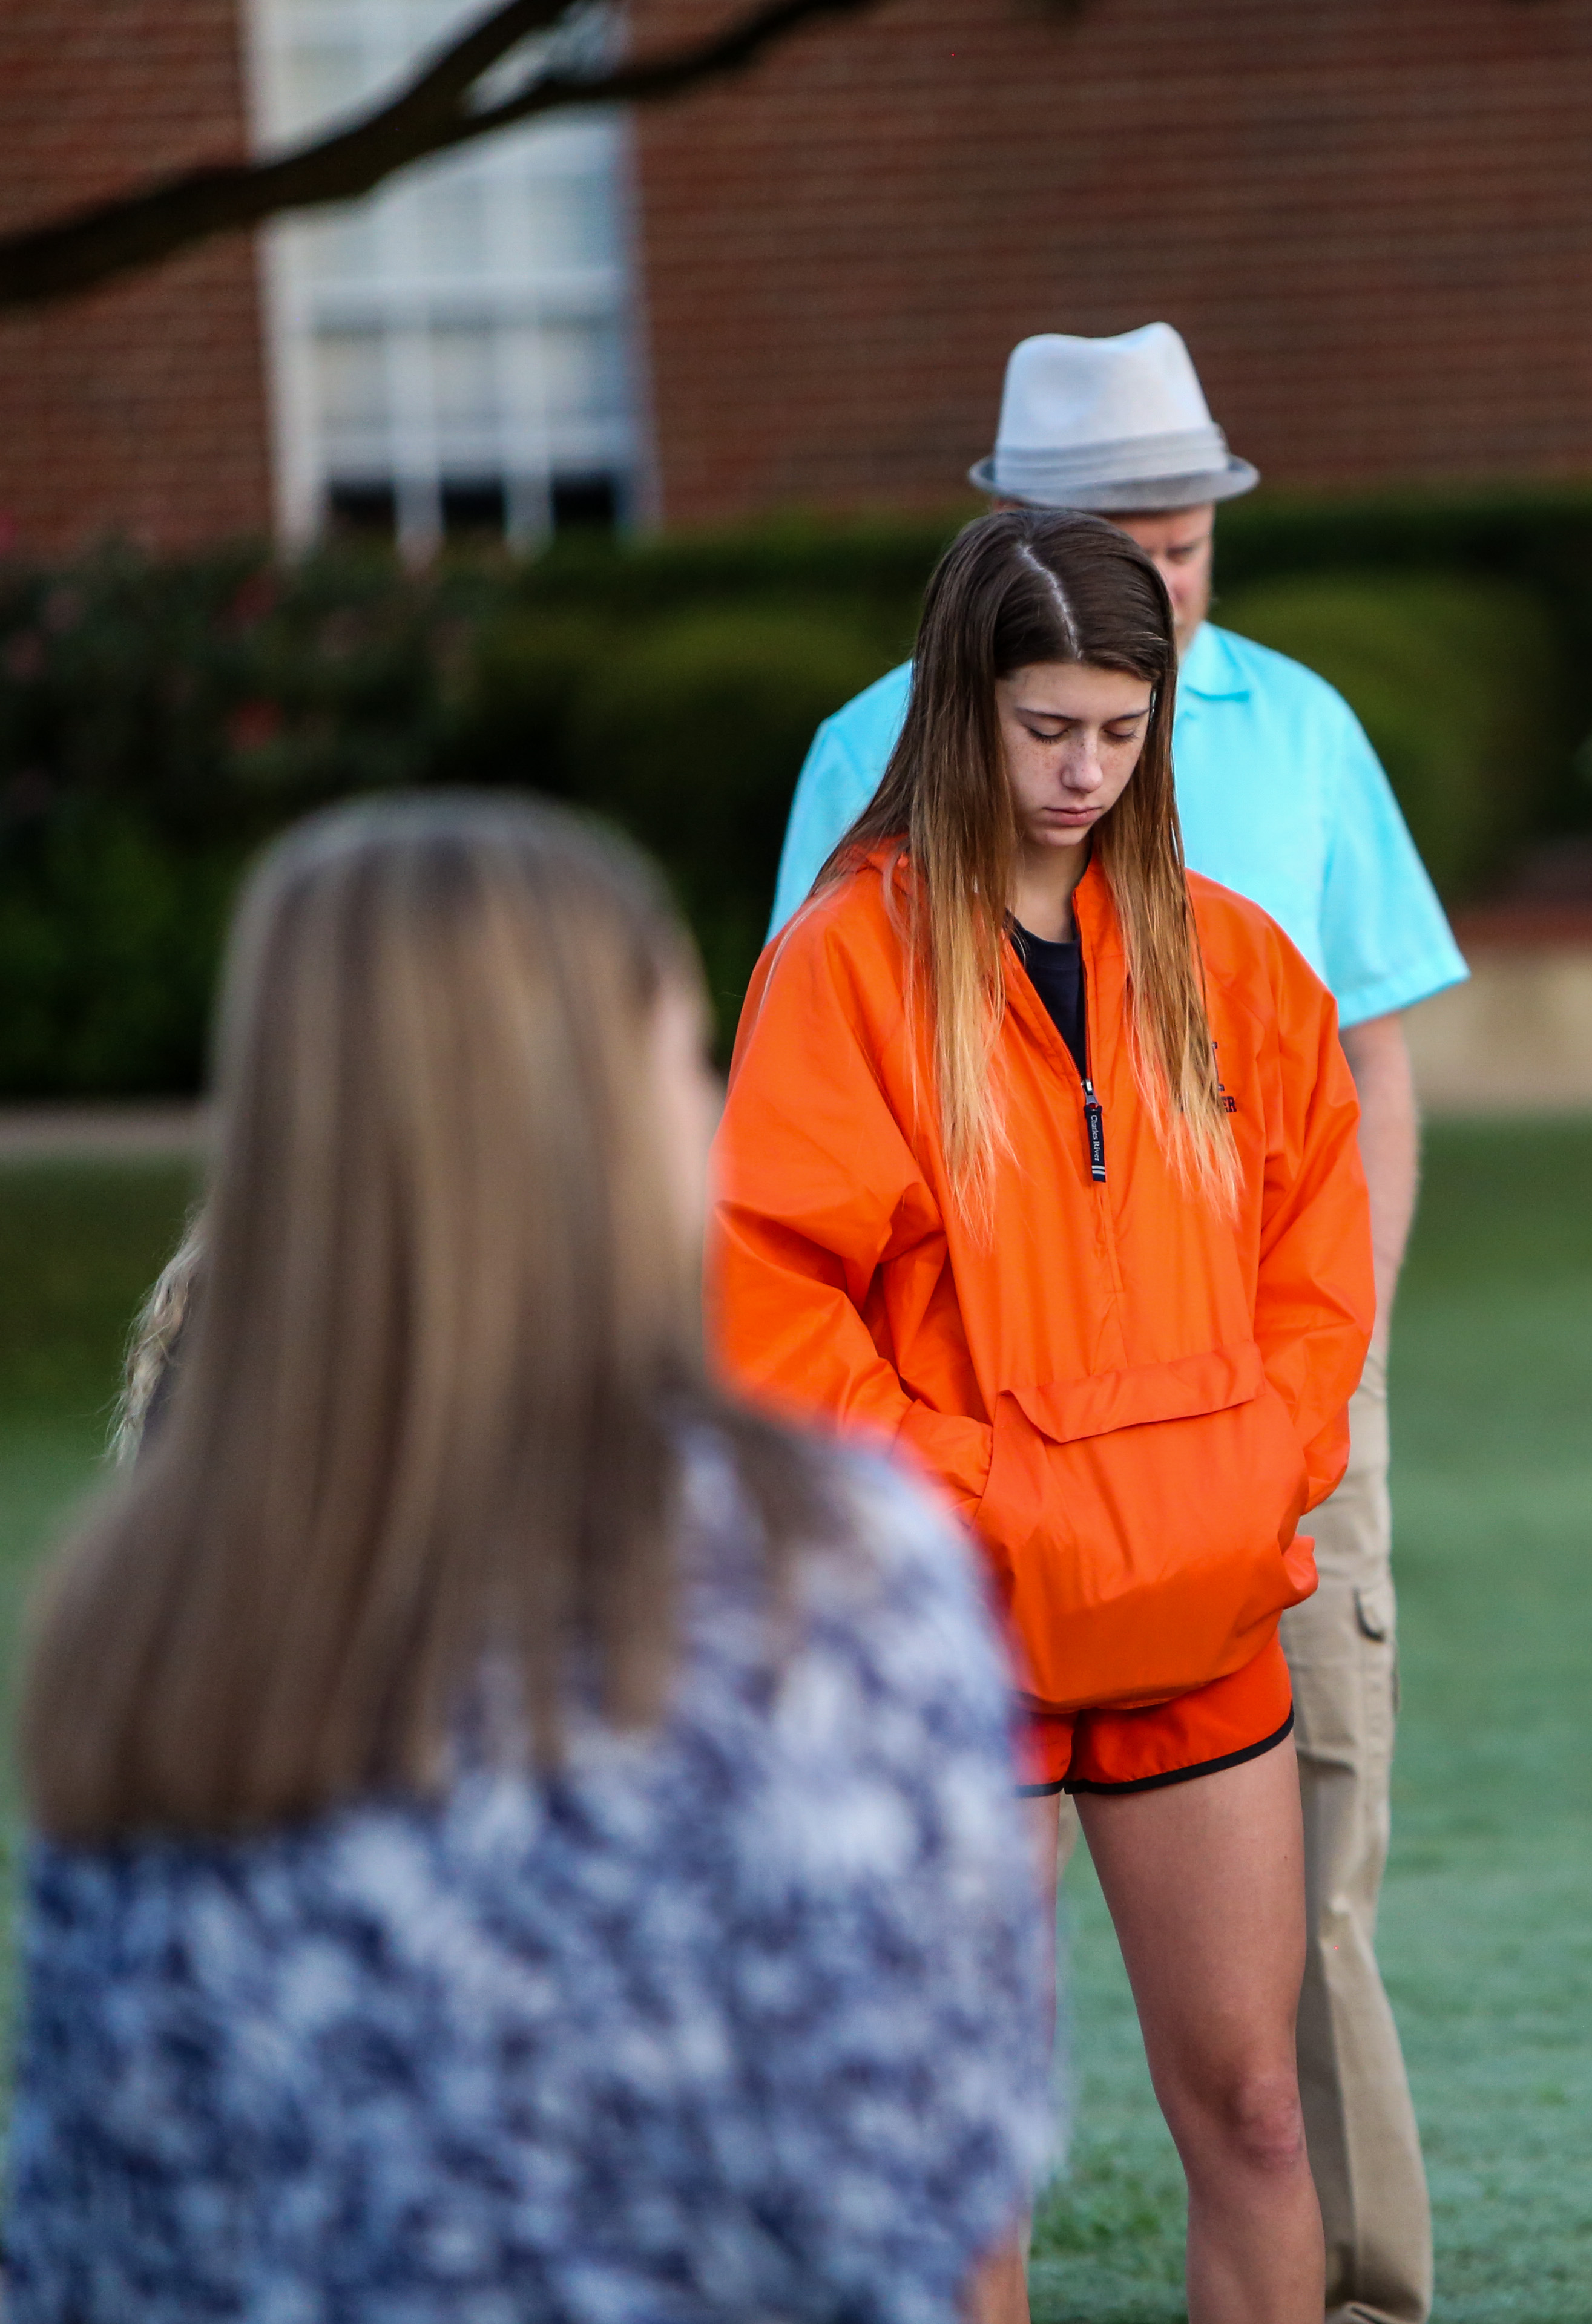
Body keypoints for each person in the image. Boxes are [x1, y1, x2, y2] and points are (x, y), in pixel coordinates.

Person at [7, 794, 1048, 2323]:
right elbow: (921, 2157)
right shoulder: (812, 1566)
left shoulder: (140, 1609)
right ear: (596, 1117)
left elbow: (85, 2236)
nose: (716, 1108)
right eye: (689, 1056)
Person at [767, 324, 1458, 2324]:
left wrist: (1264, 1459)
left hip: (1202, 1606)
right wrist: (982, 1499)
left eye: (1118, 732)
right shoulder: (844, 960)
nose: (1085, 772)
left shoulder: (1237, 948)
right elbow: (783, 1292)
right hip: (958, 1608)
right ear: (964, 698)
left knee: (1253, 2108)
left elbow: (1321, 1233)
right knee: (966, 2127)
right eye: (1046, 728)